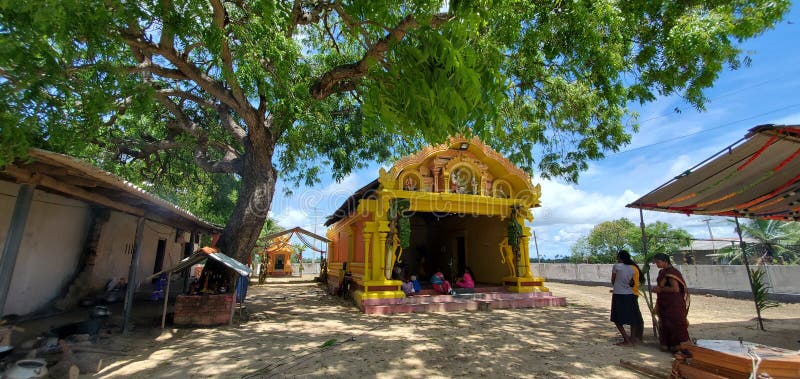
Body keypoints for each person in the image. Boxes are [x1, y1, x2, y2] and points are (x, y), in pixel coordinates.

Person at [652, 253, 690, 352]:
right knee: (665, 323)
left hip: (674, 303)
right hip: (665, 302)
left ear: (665, 261)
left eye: (658, 262)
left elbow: (675, 289)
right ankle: (668, 344)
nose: (657, 264)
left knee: (676, 323)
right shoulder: (662, 272)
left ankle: (681, 346)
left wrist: (660, 289)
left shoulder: (672, 272)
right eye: (655, 262)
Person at [610, 250, 641, 346]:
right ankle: (632, 339)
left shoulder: (616, 266)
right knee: (632, 317)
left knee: (617, 318)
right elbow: (632, 283)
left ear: (619, 258)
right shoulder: (633, 268)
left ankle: (626, 340)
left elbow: (613, 280)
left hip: (619, 294)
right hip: (630, 294)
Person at [619, 250, 645, 342]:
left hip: (628, 294)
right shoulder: (633, 267)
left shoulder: (628, 268)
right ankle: (636, 337)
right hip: (632, 293)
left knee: (633, 316)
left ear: (621, 259)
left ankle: (635, 337)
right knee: (635, 315)